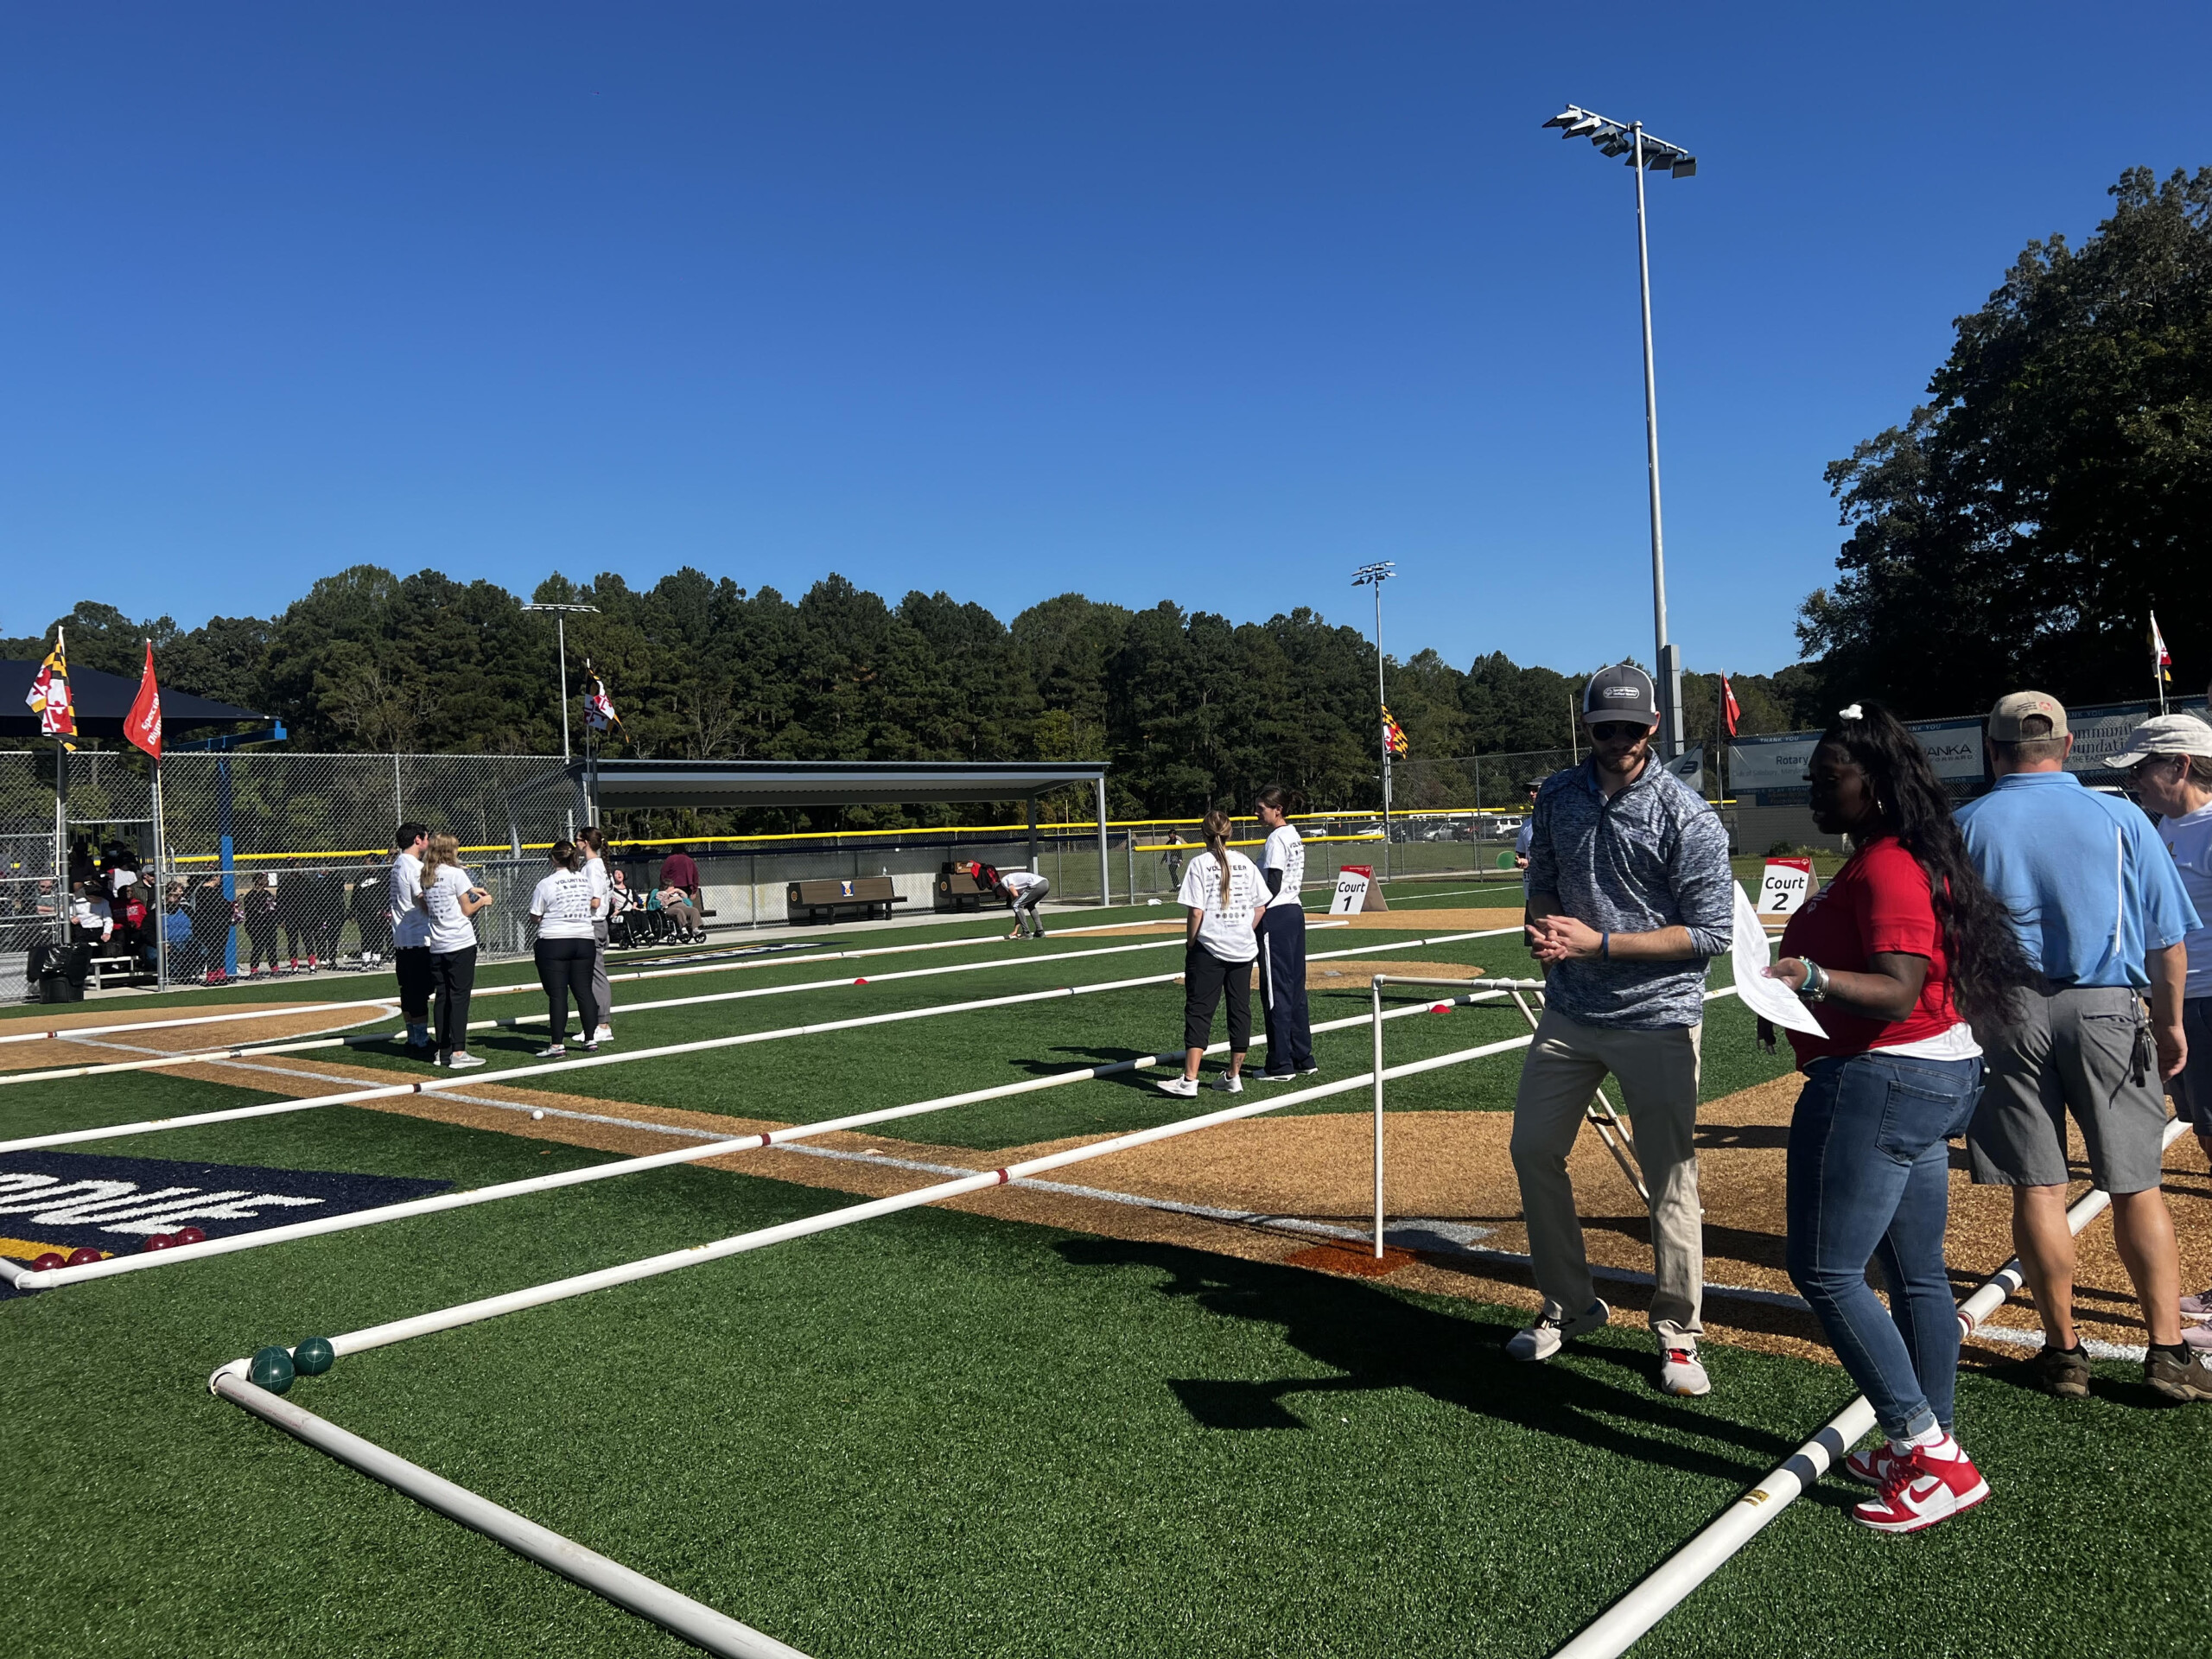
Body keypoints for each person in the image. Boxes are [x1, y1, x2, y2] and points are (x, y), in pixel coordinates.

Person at [1765, 703, 2035, 1533]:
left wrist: (1810, 979)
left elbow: (1895, 989)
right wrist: (1798, 995)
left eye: (1831, 776)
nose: (1816, 788)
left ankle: (1930, 1451)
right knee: (1915, 1272)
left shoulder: (1887, 865)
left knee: (1826, 1270)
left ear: (1875, 782)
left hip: (1882, 1077)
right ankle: (1929, 1441)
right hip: (1924, 1072)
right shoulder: (1895, 853)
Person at [1955, 691, 2212, 1404]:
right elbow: (2168, 942)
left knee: (2039, 1187)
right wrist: (2170, 1024)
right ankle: (2167, 1352)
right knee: (2136, 1184)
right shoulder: (2122, 817)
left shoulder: (1963, 826)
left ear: (1992, 750)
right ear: (2067, 747)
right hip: (2106, 1006)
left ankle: (2063, 1352)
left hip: (2006, 1011)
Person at [1508, 663, 1733, 1396]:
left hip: (1657, 1017)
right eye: (1606, 727)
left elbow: (1711, 933)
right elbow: (1542, 880)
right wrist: (1543, 927)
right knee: (1533, 1150)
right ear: (1588, 726)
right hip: (1571, 1012)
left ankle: (1678, 1333)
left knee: (1669, 1177)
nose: (1619, 739)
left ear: (1654, 726)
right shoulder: (1558, 796)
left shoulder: (1687, 815)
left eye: (1632, 728)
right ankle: (1570, 1304)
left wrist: (1600, 944)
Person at [2105, 712, 2212, 1349]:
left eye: (2144, 768)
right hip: (2184, 1003)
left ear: (2180, 765)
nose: (2136, 781)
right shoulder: (2165, 828)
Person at [1158, 809, 1271, 1097]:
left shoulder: (1199, 864)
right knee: (1240, 1009)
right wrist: (1242, 929)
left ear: (1204, 835)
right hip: (1243, 948)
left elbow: (1196, 911)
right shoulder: (1245, 862)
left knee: (1199, 1010)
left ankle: (1190, 1079)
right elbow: (1260, 907)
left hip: (1208, 948)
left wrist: (1191, 942)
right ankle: (1234, 1075)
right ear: (1230, 834)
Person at [1253, 785, 1316, 1080]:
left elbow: (1273, 884)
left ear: (1277, 810)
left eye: (1261, 808)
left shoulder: (1277, 838)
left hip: (1277, 916)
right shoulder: (1293, 835)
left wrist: (1255, 910)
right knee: (1295, 988)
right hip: (1294, 913)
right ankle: (1302, 1056)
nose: (1257, 813)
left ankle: (1280, 1063)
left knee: (1276, 990)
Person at [417, 833, 492, 1069]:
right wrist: (483, 901)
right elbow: (467, 909)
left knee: (442, 997)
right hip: (459, 942)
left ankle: (443, 1051)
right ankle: (459, 1051)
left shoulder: (427, 874)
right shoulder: (456, 873)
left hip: (437, 944)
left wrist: (471, 890)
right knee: (459, 998)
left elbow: (430, 904)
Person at [528, 840, 603, 1058]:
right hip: (584, 939)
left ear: (553, 859)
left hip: (554, 941)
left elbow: (535, 915)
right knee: (584, 991)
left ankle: (557, 1045)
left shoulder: (546, 884)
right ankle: (590, 1039)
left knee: (558, 995)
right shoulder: (584, 881)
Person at [387, 823, 435, 1056]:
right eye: (427, 838)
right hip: (417, 937)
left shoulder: (398, 863)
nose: (429, 842)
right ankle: (421, 1041)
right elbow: (422, 899)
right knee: (419, 992)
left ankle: (413, 1037)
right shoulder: (414, 866)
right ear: (418, 840)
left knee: (408, 991)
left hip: (402, 936)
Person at [579, 827, 614, 1044]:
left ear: (585, 842)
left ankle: (603, 1024)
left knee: (596, 974)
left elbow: (595, 901)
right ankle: (595, 1023)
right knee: (589, 975)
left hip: (594, 923)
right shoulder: (598, 866)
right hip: (597, 923)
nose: (576, 843)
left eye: (578, 839)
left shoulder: (593, 867)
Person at [658, 845, 703, 942]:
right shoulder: (689, 860)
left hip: (672, 885)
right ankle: (688, 928)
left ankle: (690, 928)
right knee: (684, 907)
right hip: (685, 887)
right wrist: (694, 890)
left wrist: (664, 885)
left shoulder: (670, 859)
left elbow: (663, 873)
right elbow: (695, 876)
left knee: (687, 908)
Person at [352, 855, 391, 965]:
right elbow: (355, 895)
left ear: (374, 863)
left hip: (379, 911)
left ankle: (376, 960)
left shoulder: (382, 877)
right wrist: (352, 911)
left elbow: (386, 894)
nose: (365, 865)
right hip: (363, 911)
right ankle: (366, 960)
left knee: (378, 935)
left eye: (367, 863)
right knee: (366, 935)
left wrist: (385, 909)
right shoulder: (360, 877)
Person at [241, 873, 282, 977]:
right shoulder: (251, 896)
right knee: (258, 945)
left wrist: (278, 920)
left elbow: (274, 909)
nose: (267, 881)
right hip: (255, 925)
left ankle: (274, 968)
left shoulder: (268, 894)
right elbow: (254, 912)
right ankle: (254, 969)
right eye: (264, 879)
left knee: (271, 945)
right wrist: (264, 909)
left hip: (269, 925)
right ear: (258, 881)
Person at [995, 863, 1051, 939]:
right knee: (1029, 905)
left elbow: (1016, 901)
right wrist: (1016, 930)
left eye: (999, 894)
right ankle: (1040, 931)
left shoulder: (1004, 881)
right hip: (1045, 884)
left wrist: (1016, 903)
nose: (1002, 896)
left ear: (998, 889)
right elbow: (1018, 911)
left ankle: (1026, 933)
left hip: (1036, 885)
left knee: (1016, 905)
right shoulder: (1015, 886)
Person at [1513, 780, 1541, 871]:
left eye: (1535, 790)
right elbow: (1522, 854)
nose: (1531, 793)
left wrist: (1532, 863)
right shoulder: (1526, 824)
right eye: (1530, 791)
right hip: (1530, 879)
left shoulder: (1558, 823)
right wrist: (1520, 861)